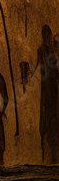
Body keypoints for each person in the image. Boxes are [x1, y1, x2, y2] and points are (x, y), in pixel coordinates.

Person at [37, 25, 59, 163]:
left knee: (54, 112)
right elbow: (43, 65)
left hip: (53, 83)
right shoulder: (42, 50)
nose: (48, 36)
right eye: (46, 34)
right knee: (48, 112)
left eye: (48, 34)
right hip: (47, 84)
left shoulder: (52, 48)